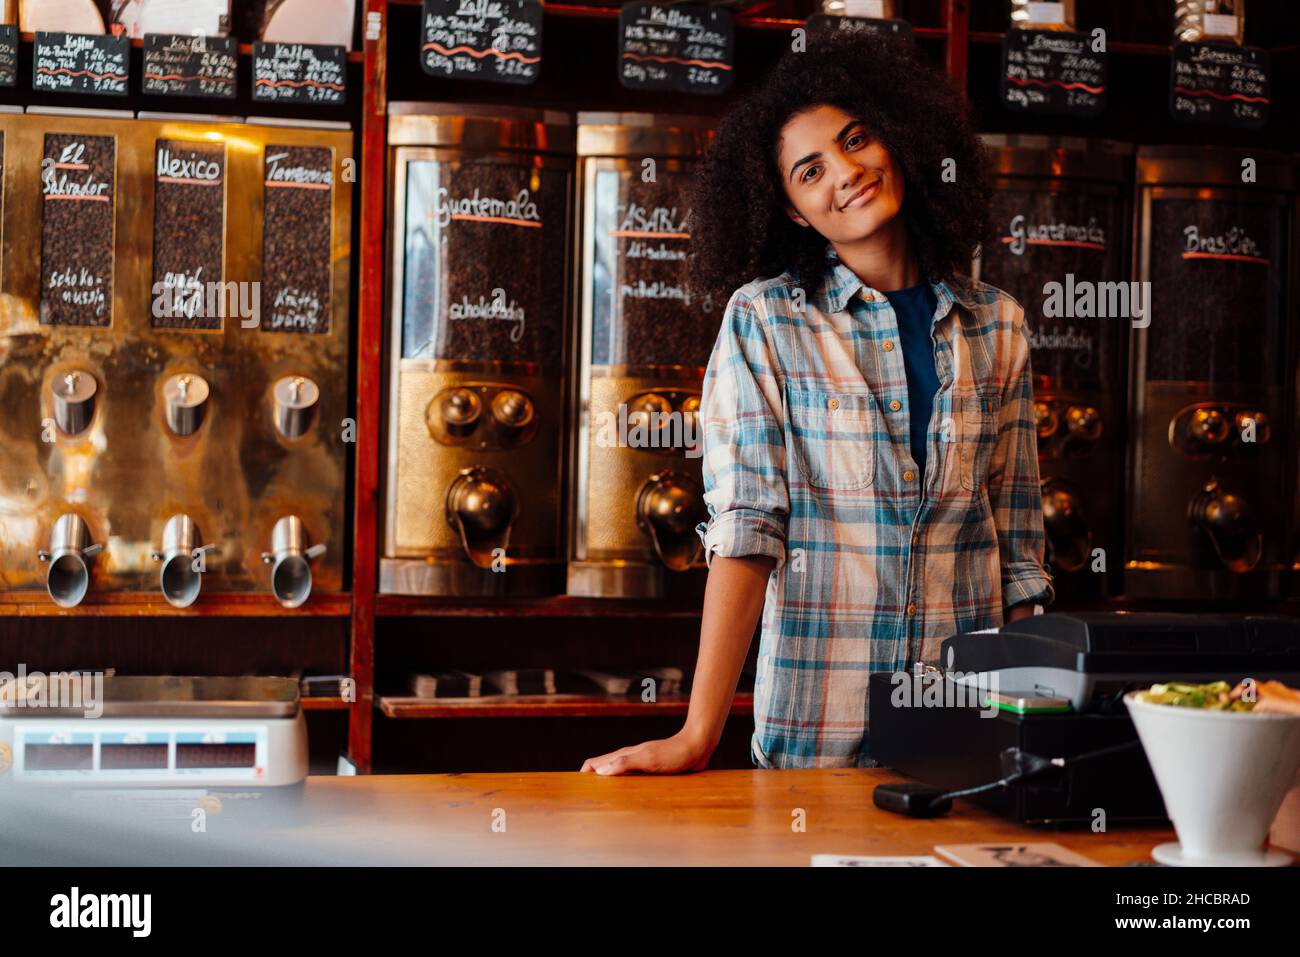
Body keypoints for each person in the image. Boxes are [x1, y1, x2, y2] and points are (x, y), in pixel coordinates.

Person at [581, 30, 1053, 774]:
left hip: (971, 739)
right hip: (815, 744)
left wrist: (1042, 725)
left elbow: (1020, 556)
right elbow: (747, 530)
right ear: (794, 211)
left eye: (856, 139)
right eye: (811, 171)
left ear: (896, 139)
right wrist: (695, 736)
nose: (848, 171)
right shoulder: (765, 321)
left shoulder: (998, 326)